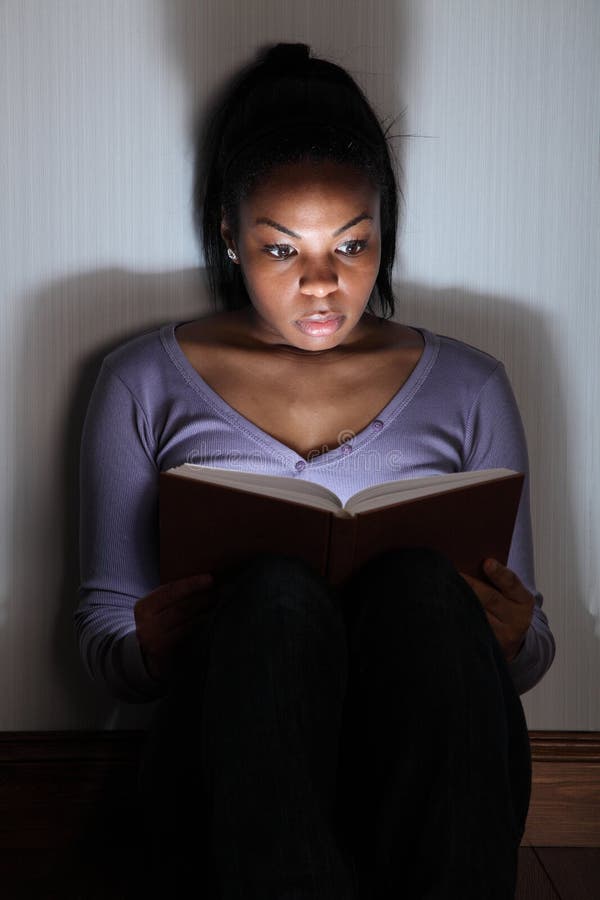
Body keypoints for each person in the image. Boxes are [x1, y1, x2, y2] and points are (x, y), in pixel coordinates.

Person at [75, 42, 556, 900]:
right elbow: (102, 634)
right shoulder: (140, 379)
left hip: (435, 783)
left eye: (353, 244)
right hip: (231, 782)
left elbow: (523, 644)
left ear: (383, 229)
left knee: (417, 586)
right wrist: (146, 645)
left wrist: (519, 636)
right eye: (281, 251)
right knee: (273, 596)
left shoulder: (473, 384)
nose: (324, 285)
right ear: (229, 236)